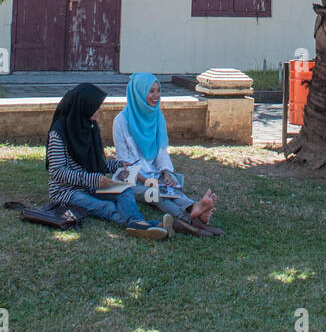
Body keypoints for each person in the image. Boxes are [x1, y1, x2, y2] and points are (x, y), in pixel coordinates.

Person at [46, 82, 174, 242]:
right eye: (96, 107)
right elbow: (57, 172)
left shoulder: (89, 127)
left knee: (125, 190)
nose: (99, 110)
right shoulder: (59, 133)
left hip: (91, 185)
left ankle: (139, 224)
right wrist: (93, 179)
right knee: (106, 207)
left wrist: (118, 165)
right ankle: (149, 225)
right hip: (67, 192)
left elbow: (96, 162)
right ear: (83, 106)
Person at [113, 72, 222, 236]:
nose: (156, 96)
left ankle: (194, 210)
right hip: (131, 180)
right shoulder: (121, 121)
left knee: (172, 190)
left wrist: (166, 172)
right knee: (156, 195)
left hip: (156, 175)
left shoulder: (157, 116)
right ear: (138, 93)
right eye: (151, 91)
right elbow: (124, 162)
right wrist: (148, 180)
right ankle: (192, 221)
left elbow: (162, 150)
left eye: (158, 90)